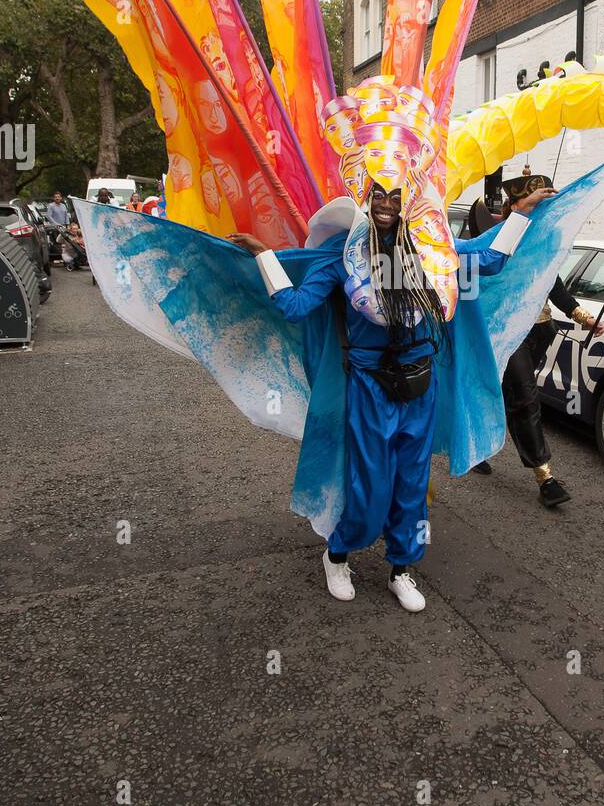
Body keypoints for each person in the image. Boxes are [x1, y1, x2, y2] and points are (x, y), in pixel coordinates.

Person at [230, 180, 552, 613]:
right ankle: (338, 554)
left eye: (395, 196)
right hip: (369, 386)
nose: (386, 204)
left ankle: (402, 568)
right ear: (364, 202)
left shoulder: (428, 249)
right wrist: (262, 256)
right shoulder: (343, 255)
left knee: (413, 483)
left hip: (420, 382)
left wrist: (524, 212)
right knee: (371, 484)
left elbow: (490, 259)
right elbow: (294, 306)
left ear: (407, 203)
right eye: (377, 195)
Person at [468, 170, 604, 507]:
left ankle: (475, 445)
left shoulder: (543, 242)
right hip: (505, 330)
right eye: (532, 204)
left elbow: (553, 285)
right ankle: (546, 477)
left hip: (540, 331)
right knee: (526, 398)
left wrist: (583, 318)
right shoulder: (497, 238)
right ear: (513, 206)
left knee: (504, 392)